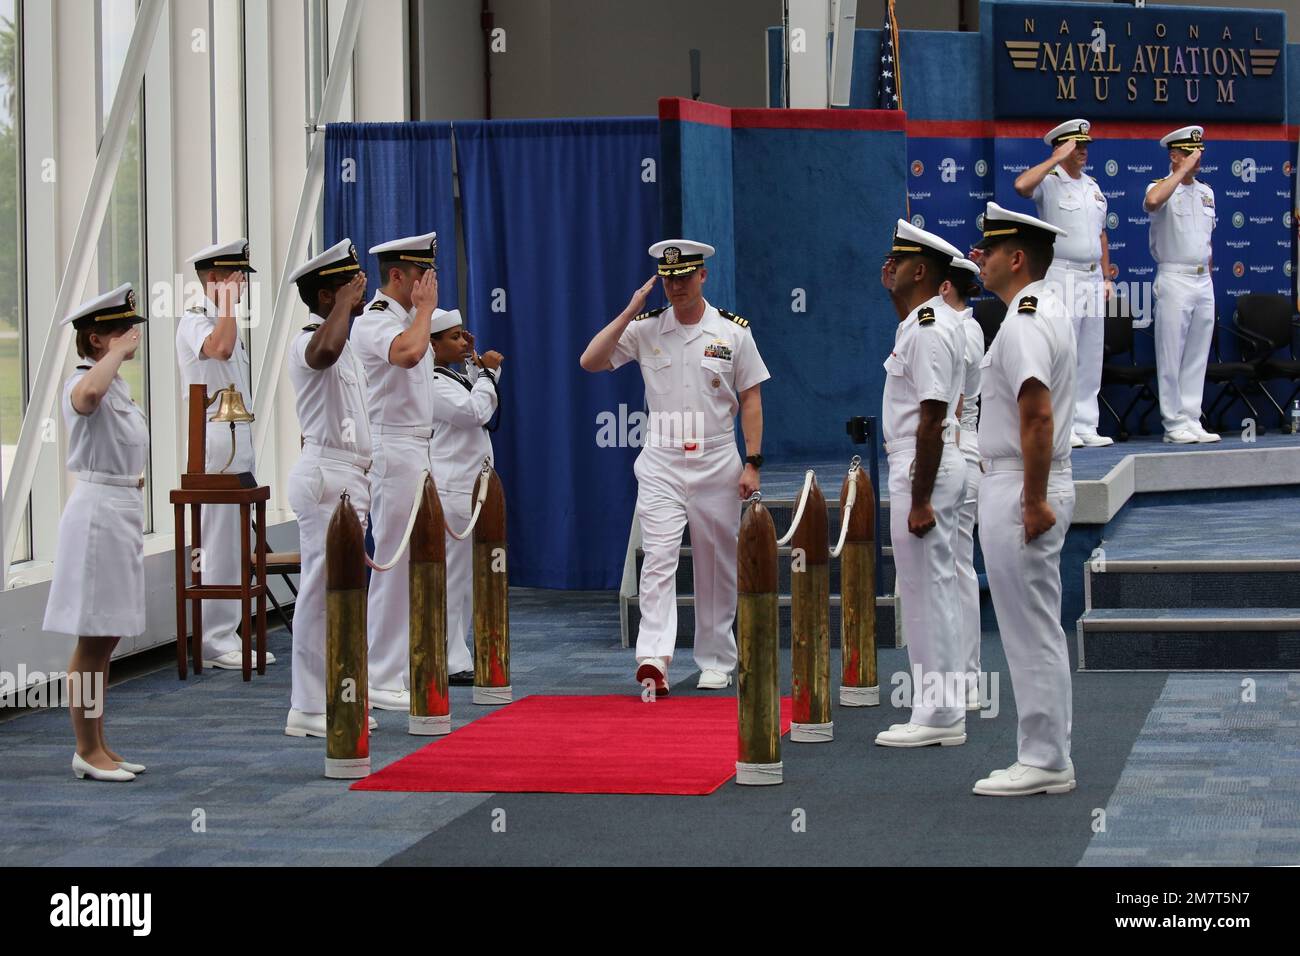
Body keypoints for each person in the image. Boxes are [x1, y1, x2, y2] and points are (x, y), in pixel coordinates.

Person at [579, 240, 768, 695]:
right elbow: (591, 361)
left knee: (716, 562)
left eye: (684, 277)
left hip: (716, 456)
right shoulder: (645, 329)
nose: (676, 287)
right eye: (668, 279)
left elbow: (751, 398)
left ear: (703, 276)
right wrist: (628, 312)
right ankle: (653, 657)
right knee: (659, 560)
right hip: (662, 458)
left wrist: (753, 462)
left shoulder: (732, 332)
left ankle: (717, 658)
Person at [968, 202, 1078, 796]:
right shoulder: (1035, 312)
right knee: (1032, 626)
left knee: (1030, 627)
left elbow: (1036, 416)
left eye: (989, 249)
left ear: (1017, 258)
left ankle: (1045, 757)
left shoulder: (1026, 319)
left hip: (1022, 483)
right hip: (1018, 479)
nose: (977, 257)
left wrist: (1033, 501)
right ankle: (1046, 751)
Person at [43, 285, 149, 782]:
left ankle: (101, 743)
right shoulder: (84, 380)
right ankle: (86, 749)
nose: (131, 337)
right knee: (92, 640)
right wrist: (113, 356)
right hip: (97, 514)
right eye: (119, 331)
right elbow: (87, 399)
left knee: (105, 639)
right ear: (95, 338)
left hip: (121, 508)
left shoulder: (118, 386)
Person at [872, 221, 969, 749]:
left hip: (923, 463)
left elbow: (931, 415)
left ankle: (939, 712)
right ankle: (940, 708)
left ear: (919, 269)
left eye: (897, 261)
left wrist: (921, 497)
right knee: (929, 590)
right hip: (921, 461)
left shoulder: (928, 325)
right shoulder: (921, 320)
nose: (889, 267)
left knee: (926, 593)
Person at [283, 240, 380, 738]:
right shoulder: (308, 342)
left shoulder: (343, 342)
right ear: (326, 296)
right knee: (320, 593)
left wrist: (345, 307)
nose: (361, 290)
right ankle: (306, 705)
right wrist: (343, 305)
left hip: (351, 476)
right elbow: (322, 352)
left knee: (345, 593)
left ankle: (342, 694)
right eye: (349, 285)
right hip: (325, 476)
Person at [350, 231, 444, 710]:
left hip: (419, 447)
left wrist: (421, 314)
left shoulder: (410, 320)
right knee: (391, 560)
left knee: (416, 561)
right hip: (391, 447)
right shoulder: (375, 321)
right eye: (421, 275)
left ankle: (399, 662)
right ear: (397, 276)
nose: (429, 282)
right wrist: (426, 312)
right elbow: (405, 355)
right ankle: (381, 673)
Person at [176, 239, 275, 667]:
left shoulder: (220, 320)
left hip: (236, 441)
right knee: (215, 540)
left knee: (234, 541)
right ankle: (214, 639)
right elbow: (219, 350)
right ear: (215, 280)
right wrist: (229, 306)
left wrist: (229, 308)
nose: (243, 288)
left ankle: (229, 632)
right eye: (236, 280)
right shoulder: (195, 320)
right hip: (214, 446)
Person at [1013, 118, 1113, 448]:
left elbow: (1101, 235)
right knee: (1063, 351)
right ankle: (1062, 424)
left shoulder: (1093, 187)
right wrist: (1056, 159)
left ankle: (1086, 424)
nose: (1083, 151)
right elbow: (1021, 186)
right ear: (1061, 146)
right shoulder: (1050, 181)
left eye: (1085, 145)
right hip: (1062, 273)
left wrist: (1107, 275)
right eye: (1076, 145)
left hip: (1092, 276)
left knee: (1090, 353)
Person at [428, 309, 503, 686]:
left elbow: (479, 399)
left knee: (465, 577)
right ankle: (450, 654)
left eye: (463, 336)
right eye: (454, 337)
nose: (463, 342)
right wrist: (486, 372)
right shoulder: (430, 381)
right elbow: (475, 412)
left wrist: (477, 367)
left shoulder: (450, 375)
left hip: (467, 486)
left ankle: (457, 650)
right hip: (452, 486)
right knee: (453, 577)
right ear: (433, 344)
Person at [1144, 125, 1220, 444]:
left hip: (1202, 278)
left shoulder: (1207, 192)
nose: (1196, 158)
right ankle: (1173, 423)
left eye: (1197, 152)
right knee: (1171, 353)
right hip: (1174, 277)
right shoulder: (1159, 187)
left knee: (1197, 353)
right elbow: (1152, 202)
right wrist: (1182, 171)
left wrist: (1209, 275)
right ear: (1174, 156)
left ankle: (1191, 417)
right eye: (1188, 153)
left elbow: (1207, 240)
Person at [939, 255, 986, 712]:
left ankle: (966, 678)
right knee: (953, 570)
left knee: (954, 570)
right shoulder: (959, 326)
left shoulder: (960, 331)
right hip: (959, 447)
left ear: (948, 288)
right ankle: (959, 676)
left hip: (956, 447)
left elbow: (949, 407)